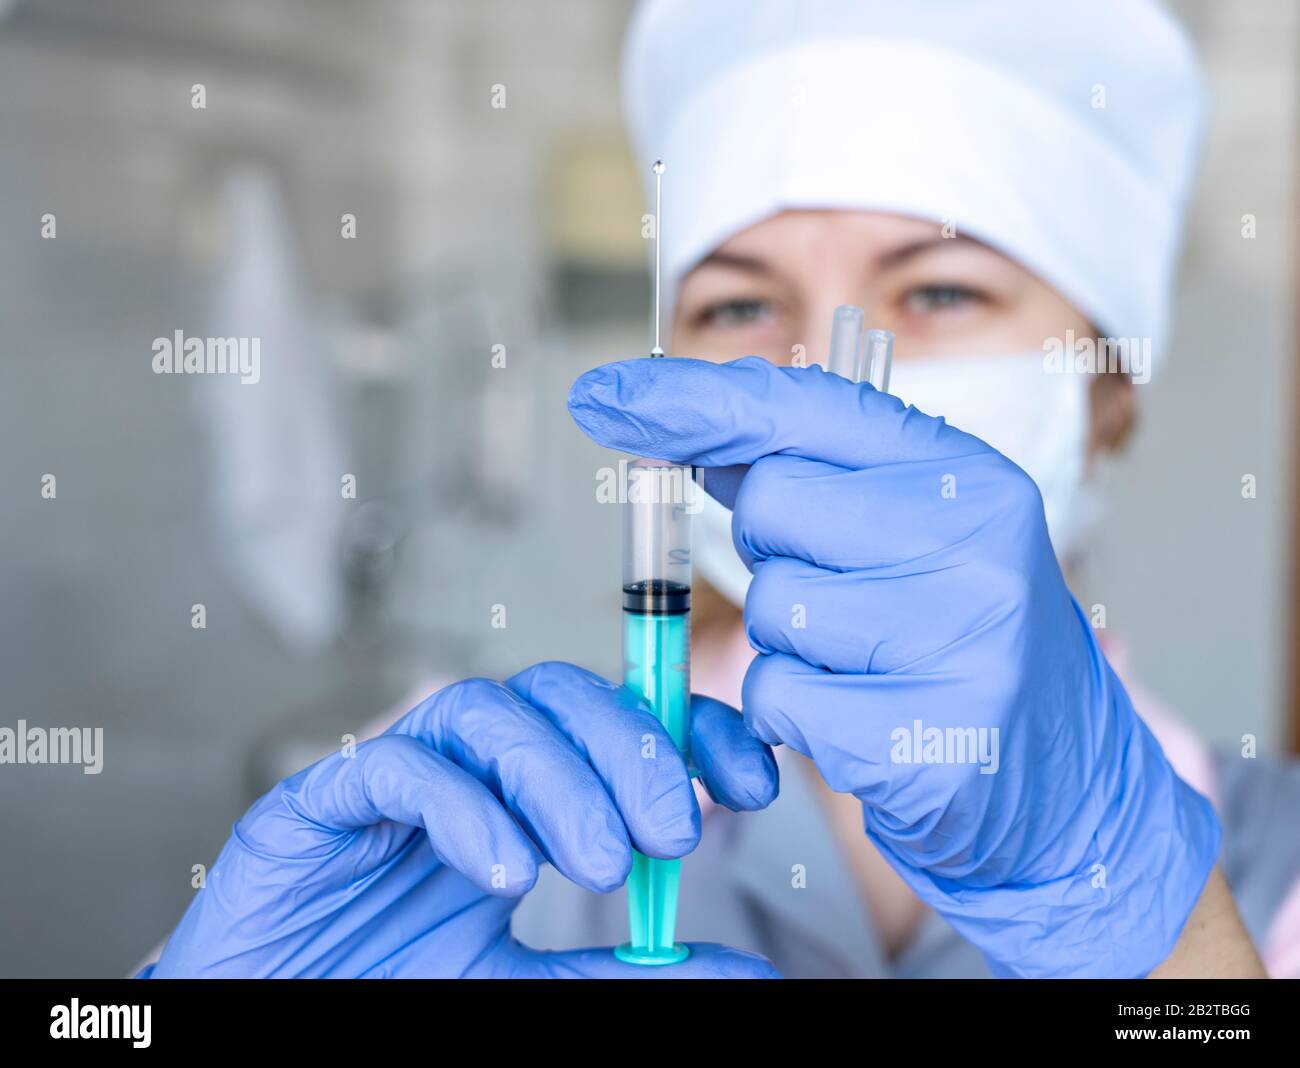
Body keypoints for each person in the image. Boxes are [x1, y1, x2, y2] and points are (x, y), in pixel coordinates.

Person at [139, 0, 1299, 979]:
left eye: (940, 292)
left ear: (1107, 399)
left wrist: (1149, 918)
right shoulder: (465, 814)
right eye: (740, 307)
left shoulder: (1274, 864)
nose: (821, 375)